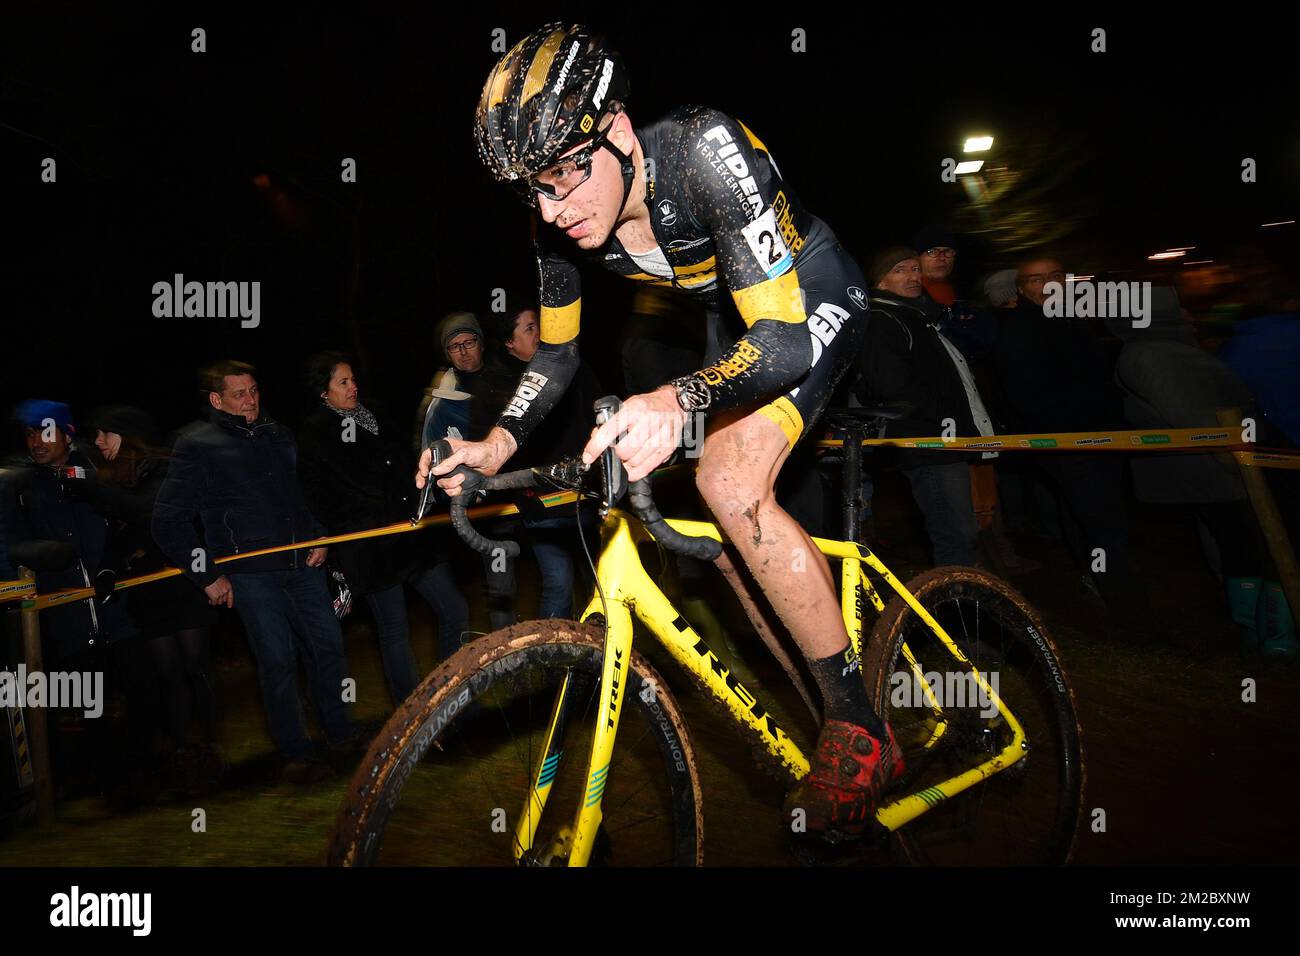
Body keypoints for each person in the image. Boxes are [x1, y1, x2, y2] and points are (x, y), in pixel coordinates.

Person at [423, 23, 902, 835]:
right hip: (733, 319)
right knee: (724, 527)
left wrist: (675, 401)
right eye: (530, 191)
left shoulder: (702, 147)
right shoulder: (556, 213)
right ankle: (815, 678)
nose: (551, 209)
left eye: (561, 180)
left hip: (806, 294)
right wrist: (497, 441)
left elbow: (781, 340)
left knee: (726, 478)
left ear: (613, 130)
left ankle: (861, 725)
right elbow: (561, 355)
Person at [151, 361, 359, 783]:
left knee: (329, 648)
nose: (250, 399)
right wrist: (207, 576)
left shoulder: (278, 435)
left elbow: (305, 494)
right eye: (239, 393)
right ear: (216, 400)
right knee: (277, 661)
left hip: (303, 565)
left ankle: (340, 733)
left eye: (254, 390)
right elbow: (167, 521)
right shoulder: (196, 443)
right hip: (248, 575)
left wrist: (320, 535)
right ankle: (296, 752)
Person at [297, 352, 469, 703]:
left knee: (454, 609)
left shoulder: (374, 411)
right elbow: (318, 496)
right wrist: (360, 522)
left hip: (411, 530)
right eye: (342, 382)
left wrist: (418, 494)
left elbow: (404, 461)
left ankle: (448, 693)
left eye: (353, 379)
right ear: (323, 392)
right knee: (394, 629)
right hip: (371, 545)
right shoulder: (315, 433)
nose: (352, 386)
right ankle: (413, 714)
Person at [77, 405, 220, 799]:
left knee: (196, 666)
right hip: (148, 592)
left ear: (127, 435)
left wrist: (93, 489)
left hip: (184, 582)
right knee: (168, 671)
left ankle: (210, 744)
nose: (98, 442)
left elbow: (151, 513)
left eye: (106, 434)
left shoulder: (163, 470)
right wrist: (107, 569)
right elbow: (120, 533)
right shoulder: (116, 480)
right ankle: (181, 750)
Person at [854, 249, 992, 567]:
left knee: (962, 532)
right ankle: (951, 609)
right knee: (955, 535)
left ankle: (960, 601)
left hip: (944, 440)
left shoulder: (916, 317)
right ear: (881, 280)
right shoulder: (882, 318)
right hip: (928, 444)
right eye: (900, 270)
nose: (914, 276)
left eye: (916, 269)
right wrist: (944, 414)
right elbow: (889, 385)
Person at [467, 306, 602, 629]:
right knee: (558, 582)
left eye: (538, 325)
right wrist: (522, 495)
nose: (539, 333)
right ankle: (553, 663)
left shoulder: (572, 366)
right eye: (528, 328)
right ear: (509, 344)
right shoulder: (494, 388)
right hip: (541, 503)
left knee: (602, 580)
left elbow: (598, 411)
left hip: (584, 492)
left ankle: (605, 655)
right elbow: (488, 451)